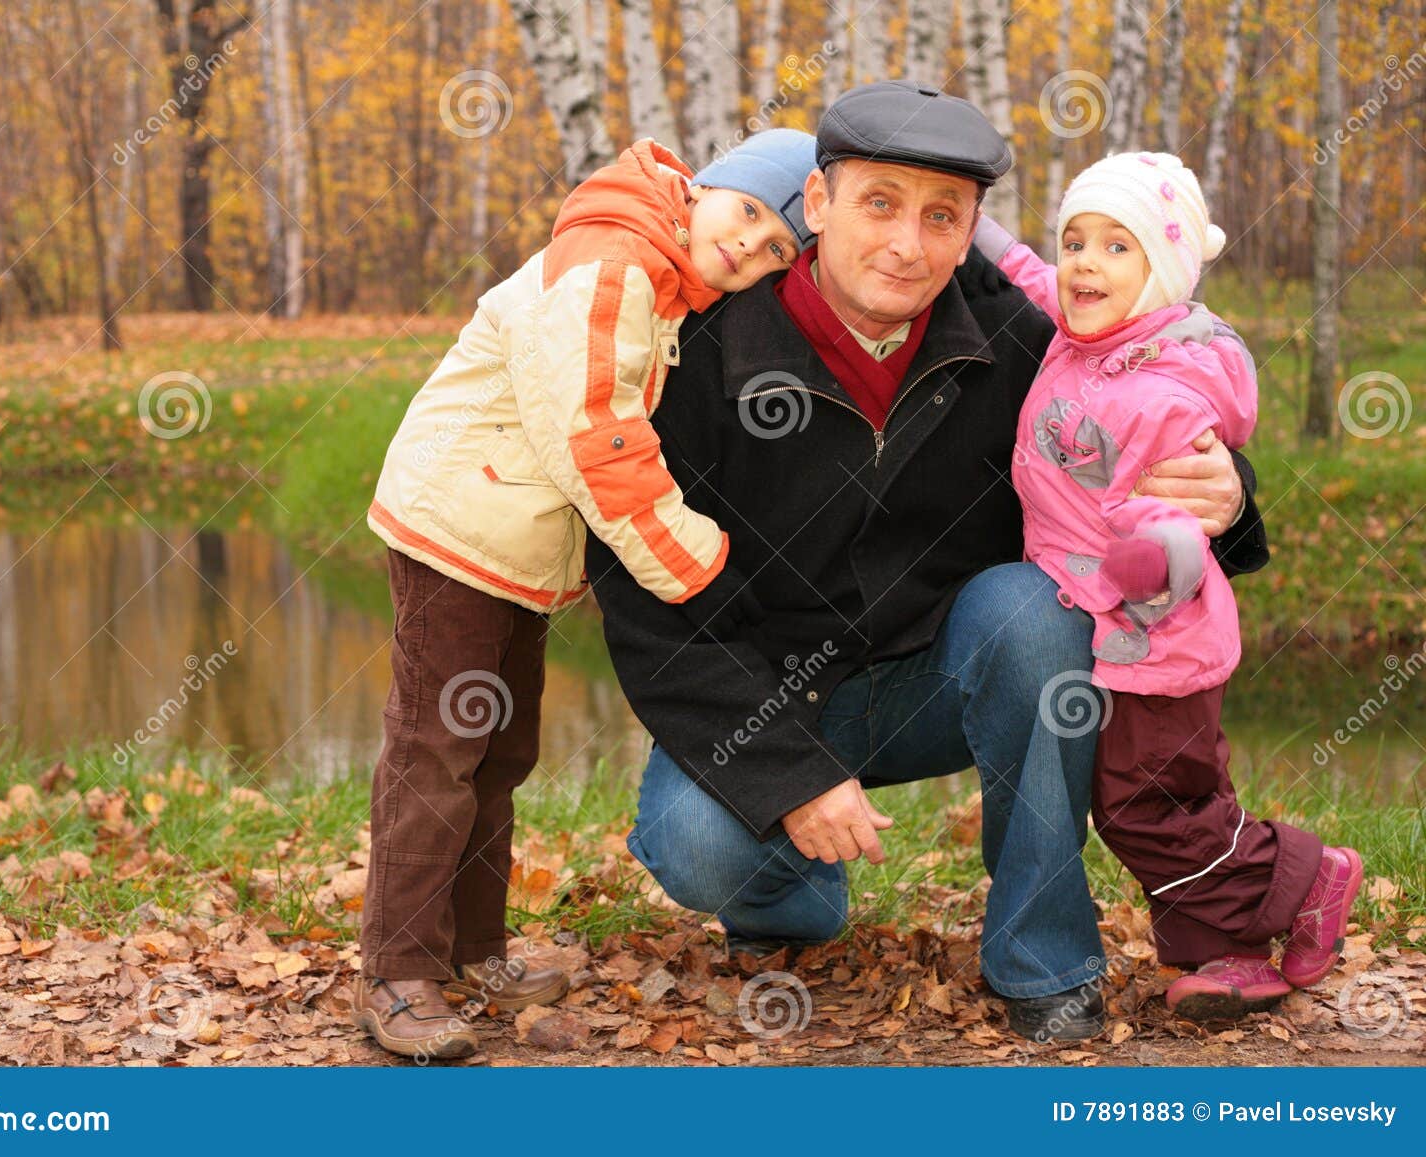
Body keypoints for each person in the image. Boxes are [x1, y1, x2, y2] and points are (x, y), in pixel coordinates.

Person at [584, 81, 1267, 1042]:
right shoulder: (702, 350)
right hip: (773, 692)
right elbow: (645, 604)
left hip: (943, 674)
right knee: (693, 842)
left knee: (1036, 610)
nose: (908, 244)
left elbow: (1152, 410)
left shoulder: (1021, 341)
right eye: (879, 204)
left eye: (941, 216)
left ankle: (1043, 958)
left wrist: (1228, 493)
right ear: (817, 203)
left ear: (971, 230)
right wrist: (787, 776)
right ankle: (797, 899)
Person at [358, 131, 820, 1060]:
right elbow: (597, 438)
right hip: (458, 529)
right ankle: (398, 971)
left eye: (778, 247)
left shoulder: (662, 273)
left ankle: (473, 950)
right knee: (436, 751)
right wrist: (697, 563)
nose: (750, 244)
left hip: (509, 541)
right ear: (705, 187)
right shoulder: (613, 266)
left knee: (498, 751)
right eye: (747, 211)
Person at [971, 152, 1362, 1023]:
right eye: (1076, 240)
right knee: (1172, 799)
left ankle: (1305, 876)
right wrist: (976, 228)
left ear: (1163, 275)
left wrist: (1148, 564)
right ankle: (1228, 955)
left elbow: (1175, 518)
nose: (1084, 263)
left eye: (1118, 246)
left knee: (1146, 805)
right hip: (1118, 626)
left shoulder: (1160, 395)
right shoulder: (1092, 335)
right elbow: (1031, 276)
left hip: (1156, 632)